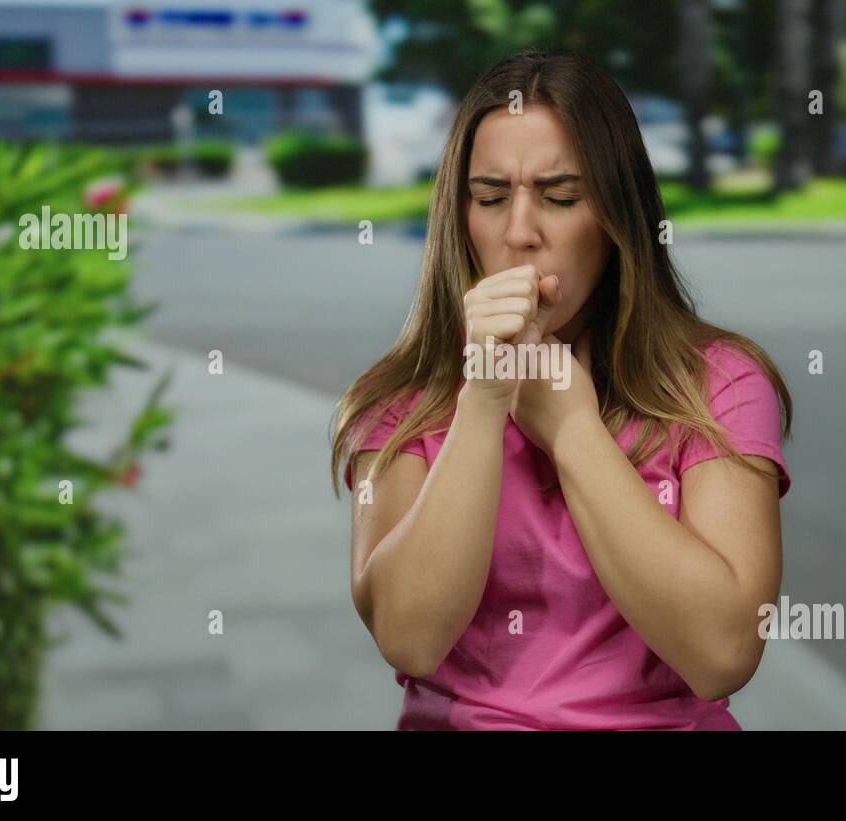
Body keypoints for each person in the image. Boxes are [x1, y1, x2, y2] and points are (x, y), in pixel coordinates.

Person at [330, 48, 793, 730]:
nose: (519, 233)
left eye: (561, 196)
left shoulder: (716, 381)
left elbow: (723, 650)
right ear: (458, 218)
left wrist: (574, 428)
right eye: (490, 197)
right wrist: (484, 401)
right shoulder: (400, 399)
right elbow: (408, 636)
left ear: (616, 218)